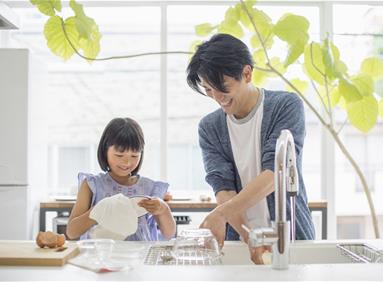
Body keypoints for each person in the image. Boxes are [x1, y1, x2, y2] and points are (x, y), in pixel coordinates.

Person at [186, 34, 315, 262]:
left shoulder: (285, 106)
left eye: (222, 87)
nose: (217, 98)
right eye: (208, 90)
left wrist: (221, 214)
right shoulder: (210, 127)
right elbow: (223, 188)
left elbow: (275, 173)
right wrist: (250, 236)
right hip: (242, 241)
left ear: (247, 73)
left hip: (292, 237)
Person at [66, 117, 176, 241]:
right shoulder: (93, 185)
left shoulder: (149, 188)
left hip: (138, 257)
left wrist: (163, 209)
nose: (127, 162)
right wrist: (98, 211)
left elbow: (169, 234)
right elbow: (71, 232)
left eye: (134, 155)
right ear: (105, 150)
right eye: (119, 155)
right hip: (100, 257)